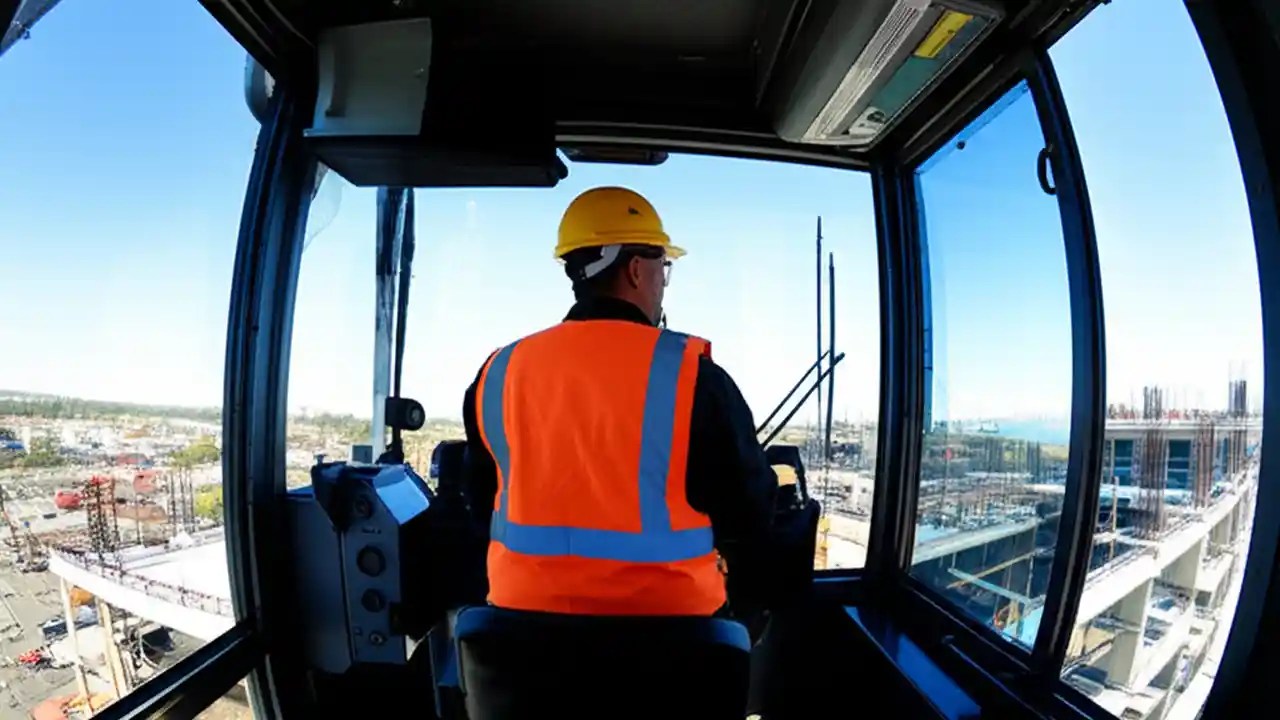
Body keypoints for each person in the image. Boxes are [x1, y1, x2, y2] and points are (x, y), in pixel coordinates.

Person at [460, 186, 779, 616]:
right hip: (670, 640)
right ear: (634, 270)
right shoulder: (693, 377)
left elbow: (481, 503)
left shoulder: (498, 373)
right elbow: (749, 516)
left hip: (522, 646)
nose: (663, 283)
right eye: (662, 267)